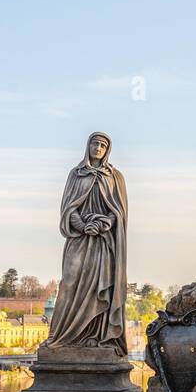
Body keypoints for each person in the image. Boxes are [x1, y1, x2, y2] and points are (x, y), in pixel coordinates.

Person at [46, 132, 130, 353]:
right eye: (95, 143)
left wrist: (103, 224)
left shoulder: (114, 177)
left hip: (104, 243)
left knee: (100, 287)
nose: (98, 148)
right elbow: (68, 207)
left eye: (103, 145)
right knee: (69, 283)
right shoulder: (76, 175)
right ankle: (61, 336)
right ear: (88, 146)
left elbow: (119, 213)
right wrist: (83, 226)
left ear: (107, 150)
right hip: (79, 238)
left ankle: (97, 335)